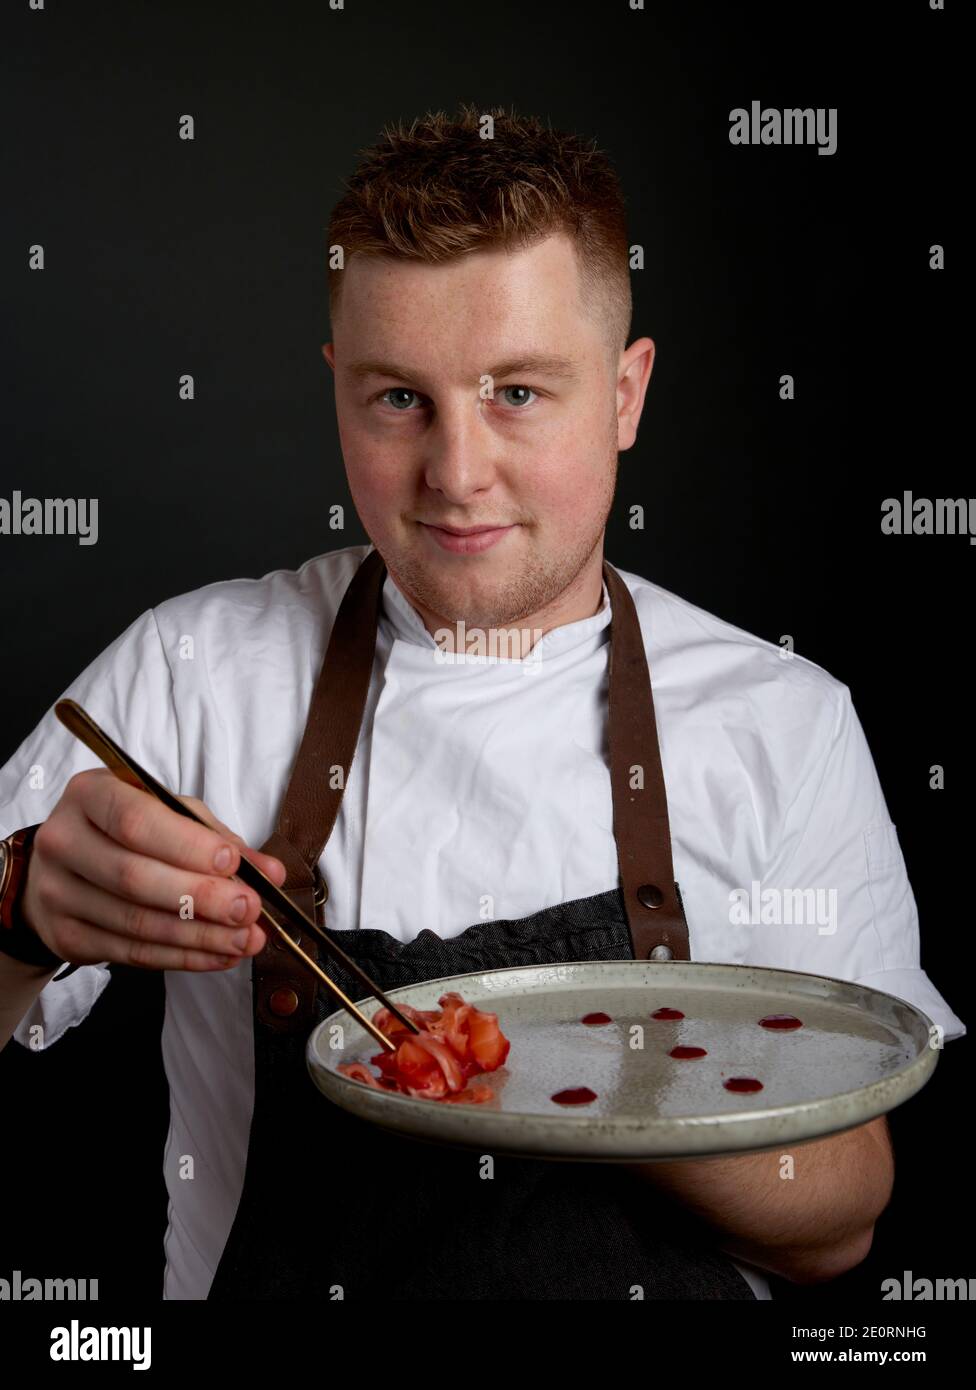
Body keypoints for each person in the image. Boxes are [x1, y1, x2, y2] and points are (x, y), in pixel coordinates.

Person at [0, 104, 964, 1301]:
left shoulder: (784, 719)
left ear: (625, 394)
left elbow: (835, 1220)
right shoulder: (191, 668)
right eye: (397, 397)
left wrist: (563, 1069)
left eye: (516, 391)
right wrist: (17, 916)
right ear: (335, 387)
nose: (455, 475)